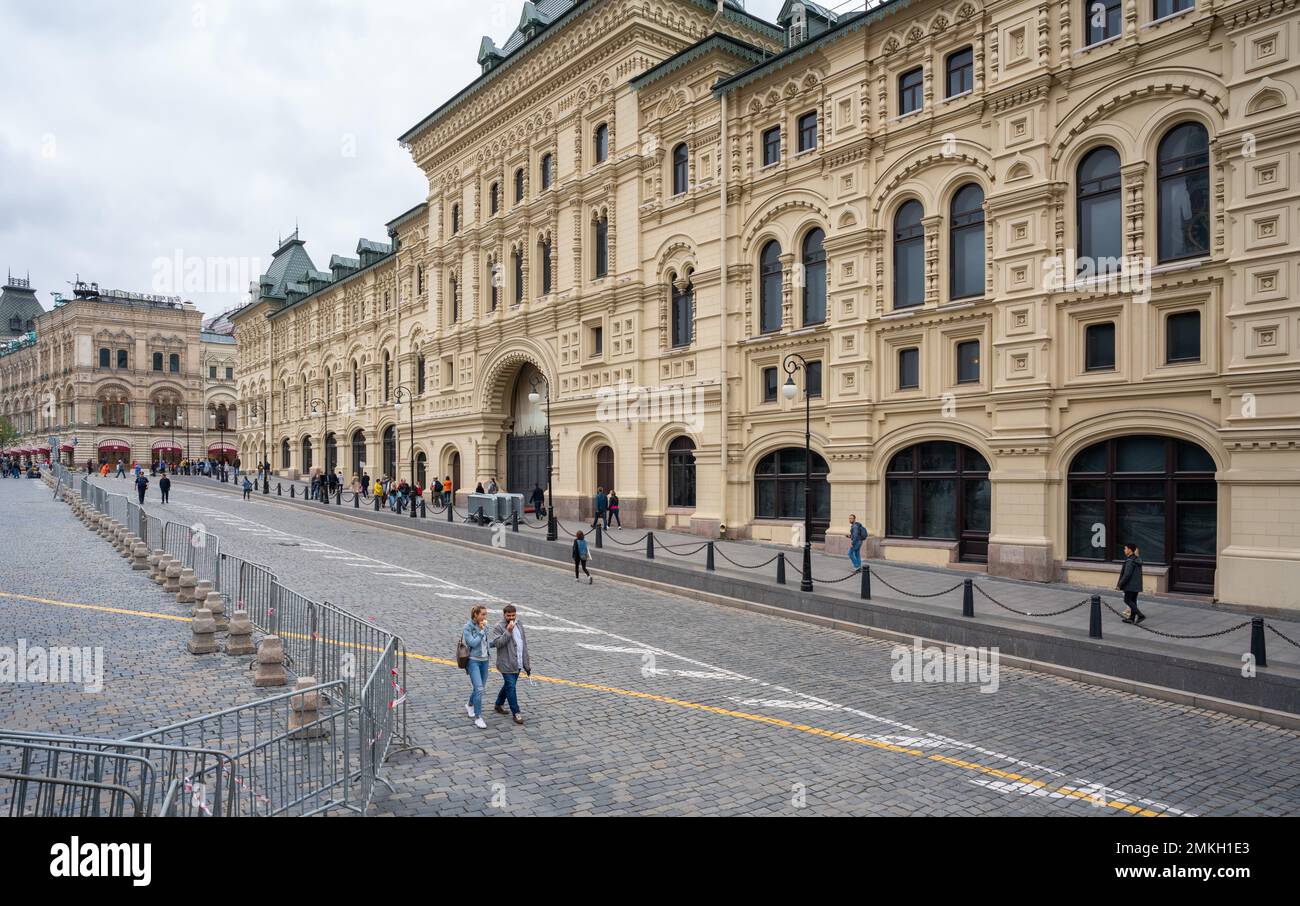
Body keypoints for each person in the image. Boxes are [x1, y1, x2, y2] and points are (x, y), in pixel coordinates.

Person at [490, 604, 531, 725]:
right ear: (504, 615)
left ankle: (498, 704)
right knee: (511, 687)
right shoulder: (498, 627)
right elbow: (498, 643)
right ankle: (516, 713)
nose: (511, 617)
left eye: (513, 615)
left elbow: (523, 644)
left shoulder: (519, 624)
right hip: (506, 663)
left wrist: (526, 663)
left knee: (509, 686)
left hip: (517, 662)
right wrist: (508, 631)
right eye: (509, 615)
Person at [462, 605, 491, 729]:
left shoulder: (485, 625)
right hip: (473, 661)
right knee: (479, 689)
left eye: (485, 614)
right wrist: (481, 631)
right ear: (476, 615)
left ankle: (469, 705)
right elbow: (472, 643)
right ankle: (478, 717)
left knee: (479, 688)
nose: (485, 617)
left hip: (485, 661)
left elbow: (486, 643)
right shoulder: (468, 627)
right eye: (483, 614)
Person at [1117, 543, 1146, 624]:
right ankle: (1131, 618)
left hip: (1130, 585)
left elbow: (1127, 574)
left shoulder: (1130, 561)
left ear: (1129, 550)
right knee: (1133, 601)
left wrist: (1120, 585)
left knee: (1127, 600)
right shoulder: (1136, 559)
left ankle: (1140, 615)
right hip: (1136, 585)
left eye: (1125, 548)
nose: (1124, 550)